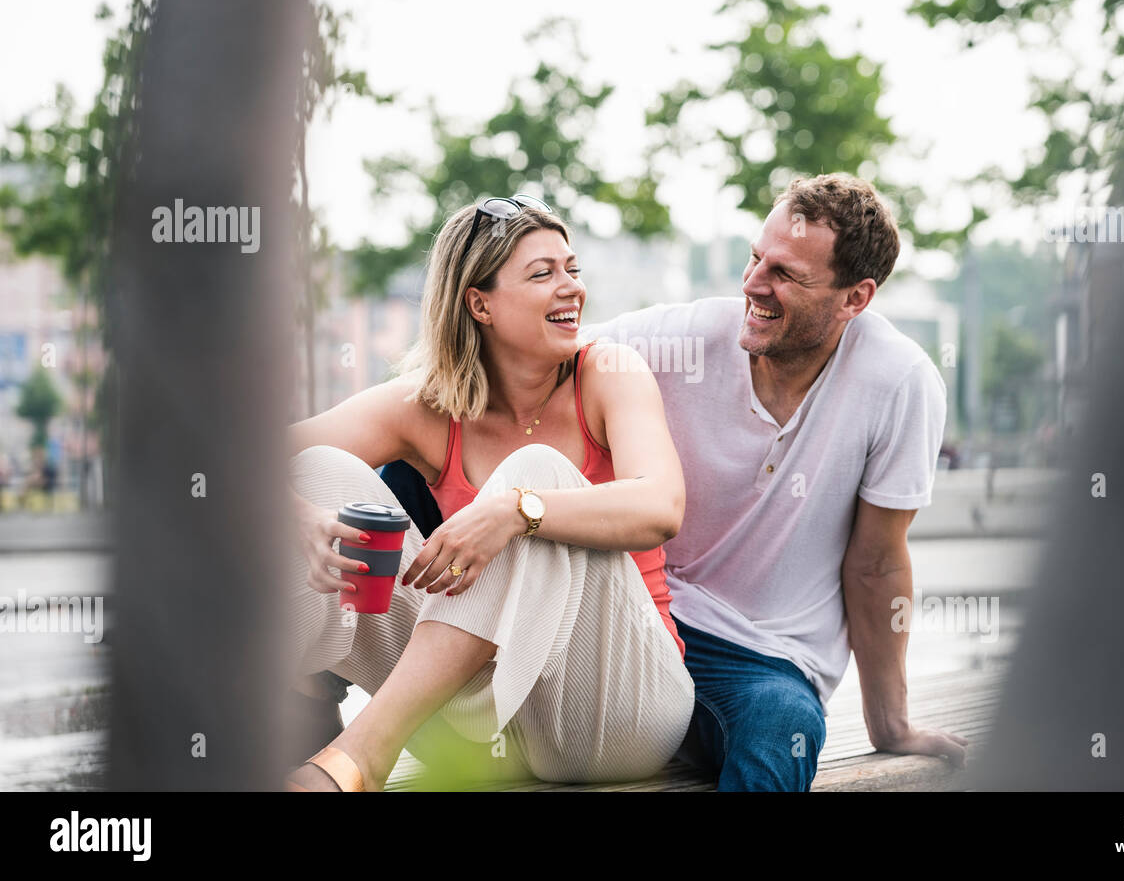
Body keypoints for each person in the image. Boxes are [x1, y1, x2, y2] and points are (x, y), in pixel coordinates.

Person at [283, 195, 693, 791]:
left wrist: (515, 509)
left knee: (537, 473)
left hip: (616, 714)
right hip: (479, 727)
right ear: (480, 303)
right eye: (542, 273)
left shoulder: (608, 373)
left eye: (571, 269)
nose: (571, 288)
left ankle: (357, 760)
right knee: (314, 470)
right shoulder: (426, 405)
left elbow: (661, 507)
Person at [581, 173, 970, 791]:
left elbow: (876, 565)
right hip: (638, 620)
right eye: (754, 258)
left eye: (785, 274)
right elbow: (540, 355)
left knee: (783, 723)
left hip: (764, 662)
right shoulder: (681, 339)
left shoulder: (899, 382)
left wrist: (889, 722)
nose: (753, 285)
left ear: (855, 298)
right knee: (407, 480)